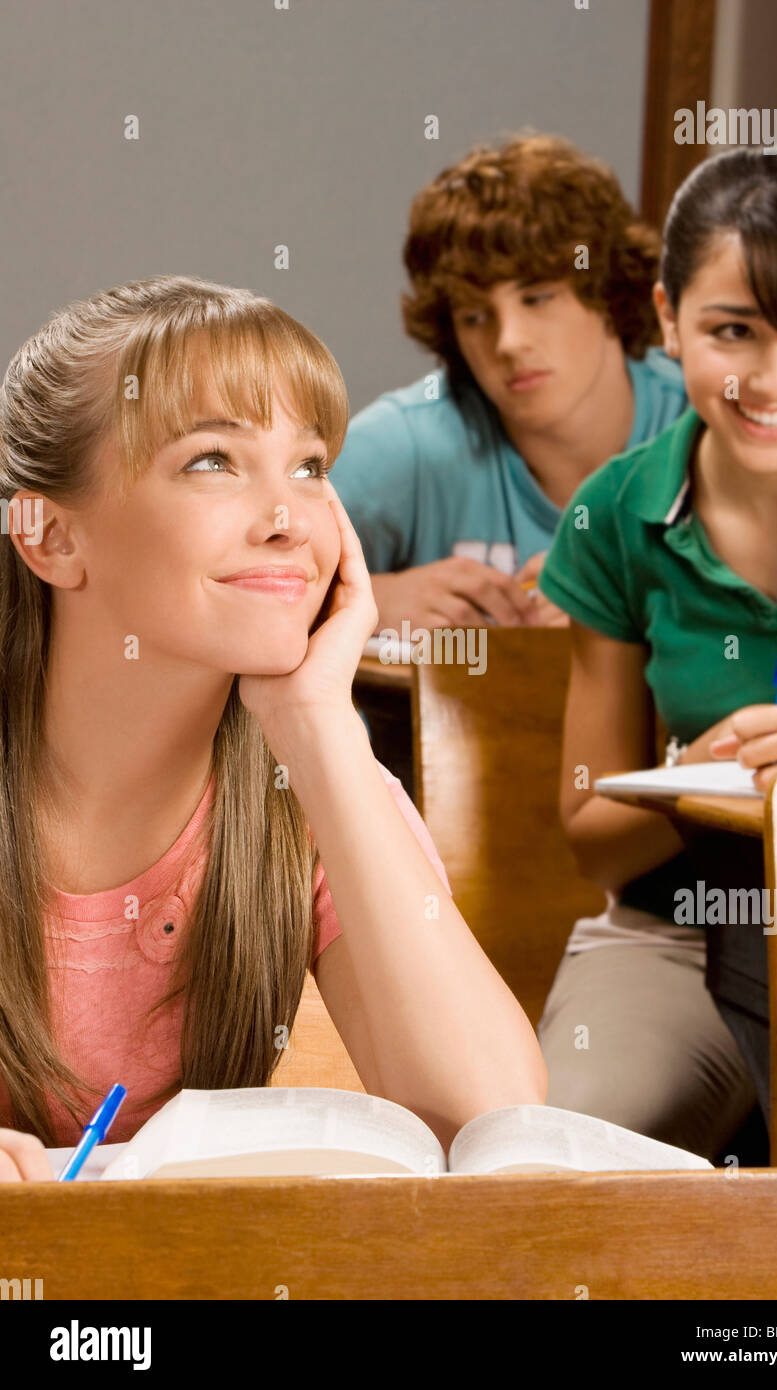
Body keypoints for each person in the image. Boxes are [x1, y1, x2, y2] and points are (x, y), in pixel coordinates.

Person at [0, 274, 546, 1180]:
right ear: (51, 535)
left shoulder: (316, 789)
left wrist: (320, 724)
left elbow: (494, 1129)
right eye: (212, 461)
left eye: (309, 466)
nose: (290, 520)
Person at [535, 146, 777, 1161]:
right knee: (554, 1161)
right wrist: (689, 776)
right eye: (732, 332)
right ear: (668, 317)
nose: (770, 380)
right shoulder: (612, 513)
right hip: (673, 937)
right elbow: (592, 829)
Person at [329, 133, 688, 634]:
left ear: (606, 290)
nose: (508, 342)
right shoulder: (413, 441)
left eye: (538, 298)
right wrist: (367, 601)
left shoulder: (705, 424)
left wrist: (632, 607)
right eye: (475, 316)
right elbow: (225, 569)